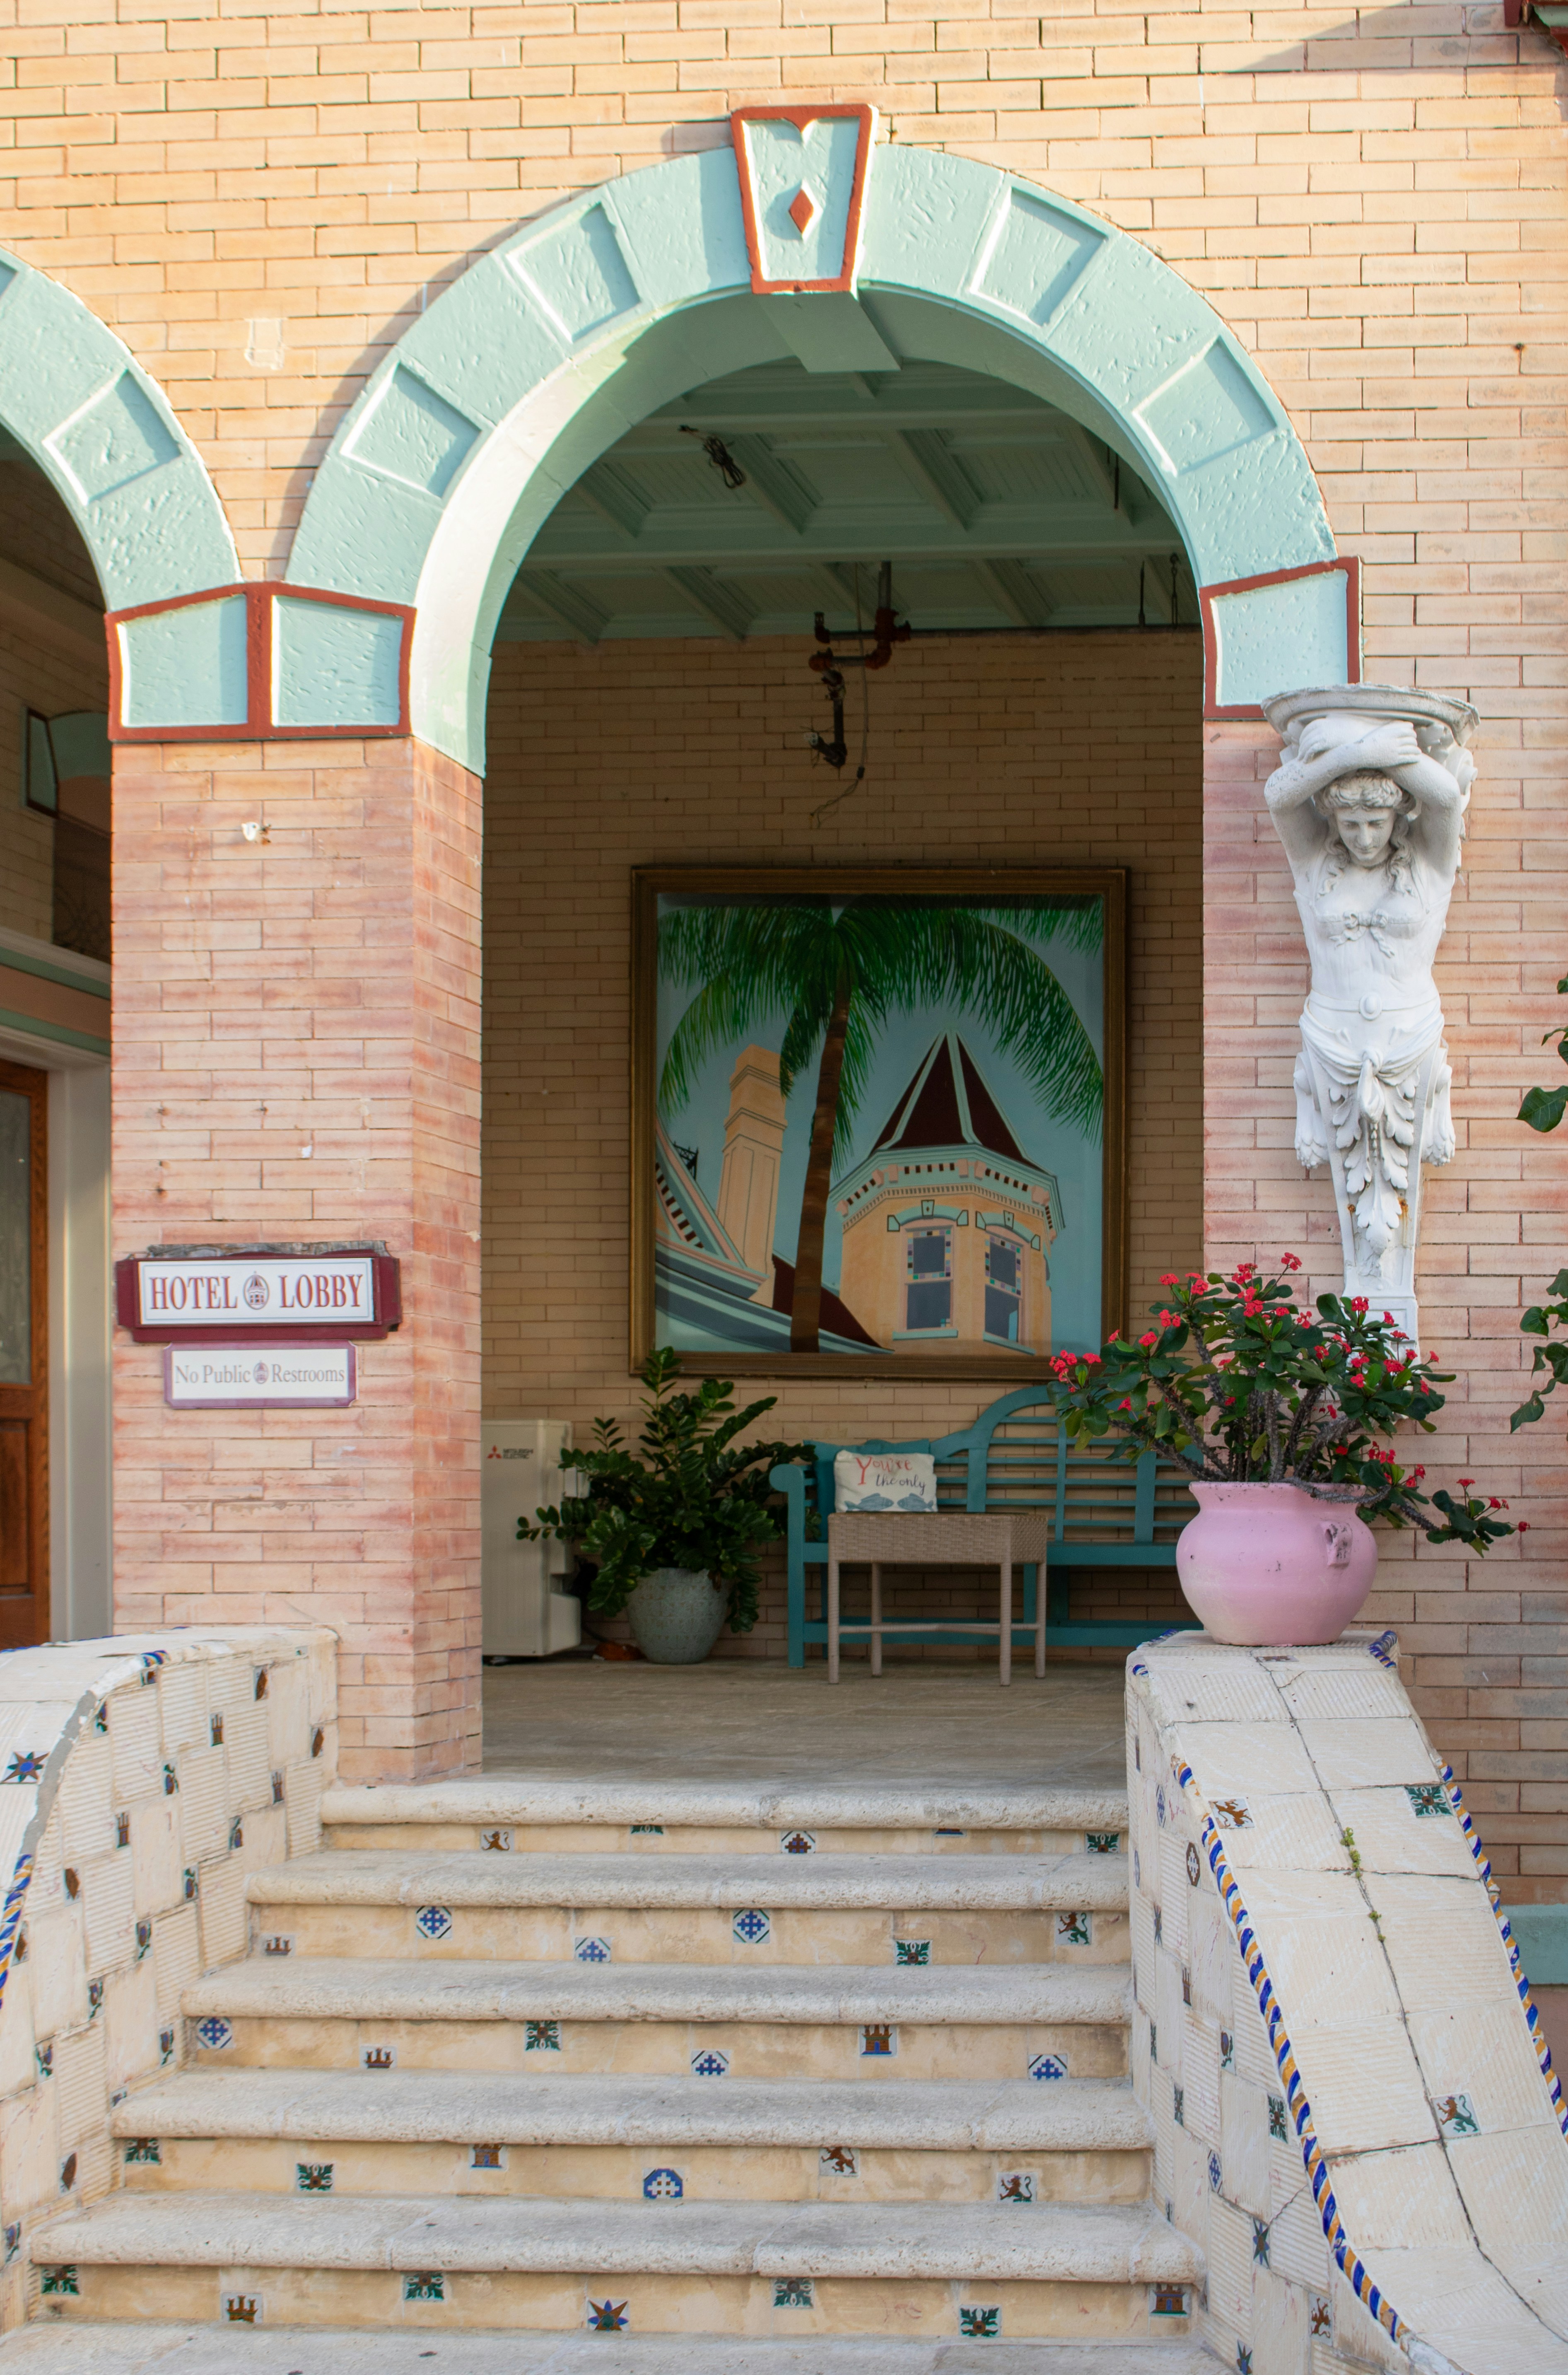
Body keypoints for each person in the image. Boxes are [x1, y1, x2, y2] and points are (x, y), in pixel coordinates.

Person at [1264, 707, 1473, 1265]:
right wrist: (1355, 755)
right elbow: (1280, 796)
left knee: (1390, 1227)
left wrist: (1388, 754)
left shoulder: (1428, 861)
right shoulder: (1313, 861)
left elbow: (1447, 798)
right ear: (1332, 820)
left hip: (1409, 1037)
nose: (1362, 837)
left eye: (1375, 823)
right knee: (1361, 1222)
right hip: (1332, 1038)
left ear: (1399, 817)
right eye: (1350, 823)